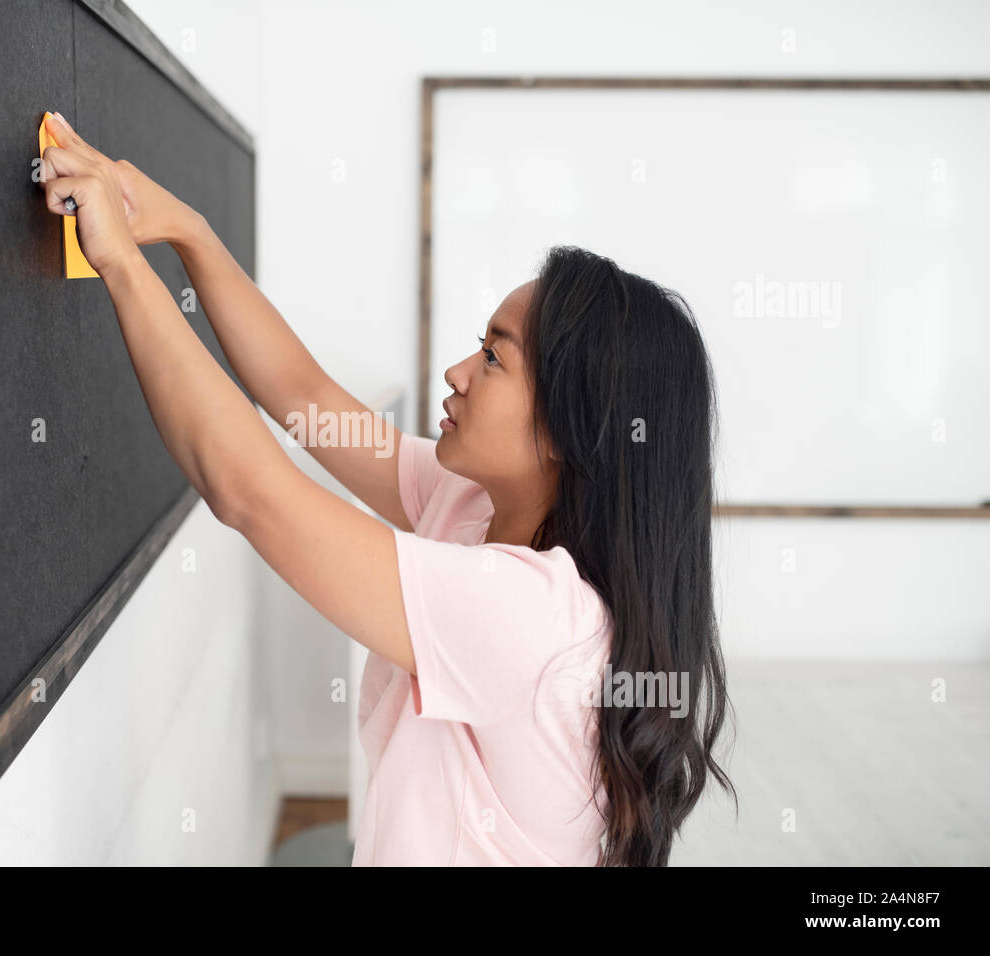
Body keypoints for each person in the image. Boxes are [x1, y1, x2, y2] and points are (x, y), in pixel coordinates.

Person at [37, 111, 736, 866]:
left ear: (569, 429)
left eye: (494, 359)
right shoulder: (474, 504)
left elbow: (249, 491)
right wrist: (189, 234)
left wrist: (116, 259)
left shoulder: (535, 617)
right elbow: (307, 400)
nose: (457, 374)